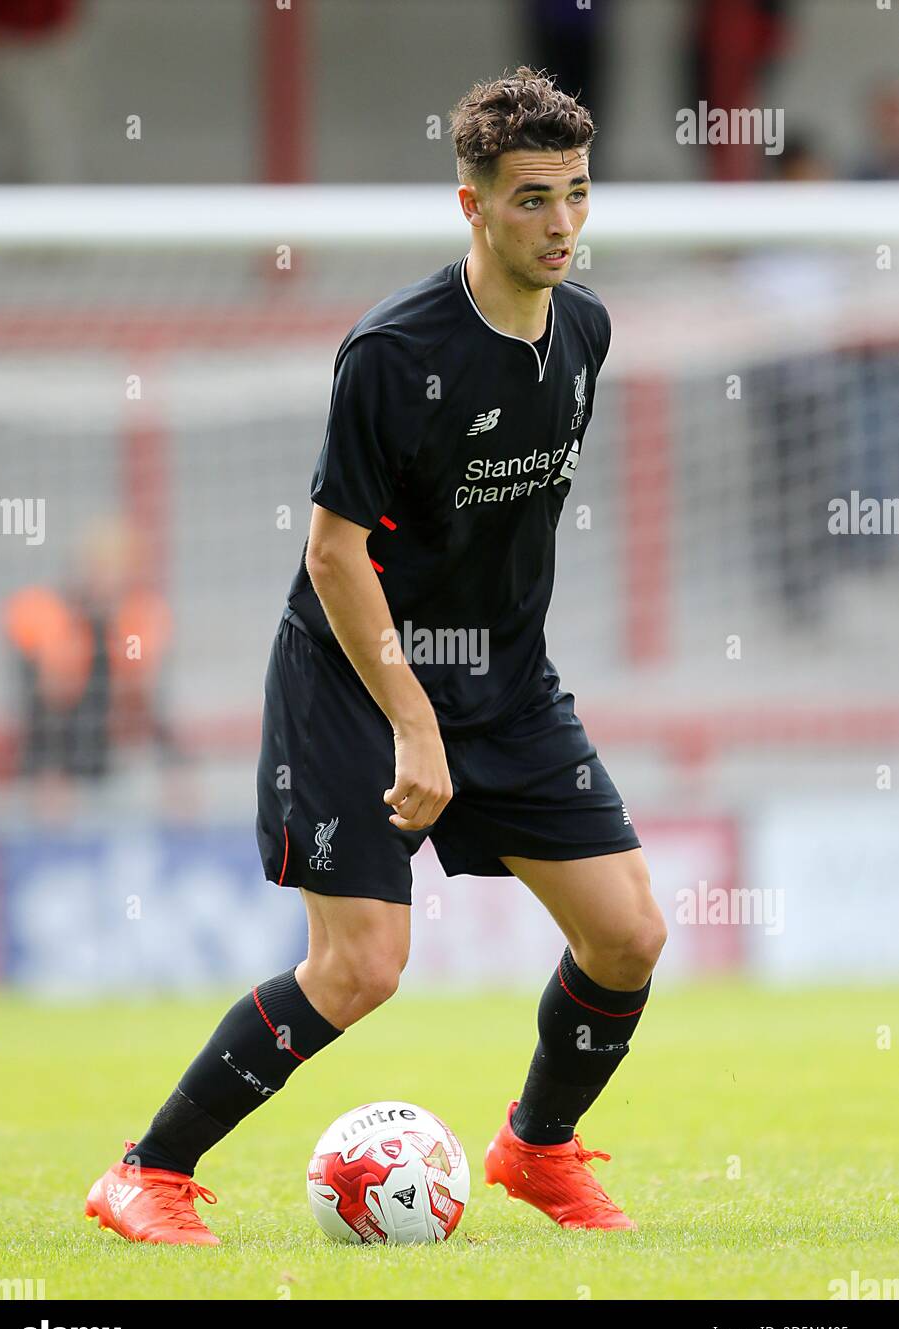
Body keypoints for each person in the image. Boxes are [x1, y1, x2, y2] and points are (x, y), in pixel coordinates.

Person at [85, 67, 667, 1246]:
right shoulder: (392, 353)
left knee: (627, 934)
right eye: (528, 201)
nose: (558, 225)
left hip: (502, 681)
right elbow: (336, 554)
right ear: (471, 207)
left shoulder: (587, 330)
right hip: (354, 677)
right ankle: (146, 1172)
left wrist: (481, 695)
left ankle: (534, 1150)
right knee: (361, 966)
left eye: (573, 195)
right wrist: (413, 719)